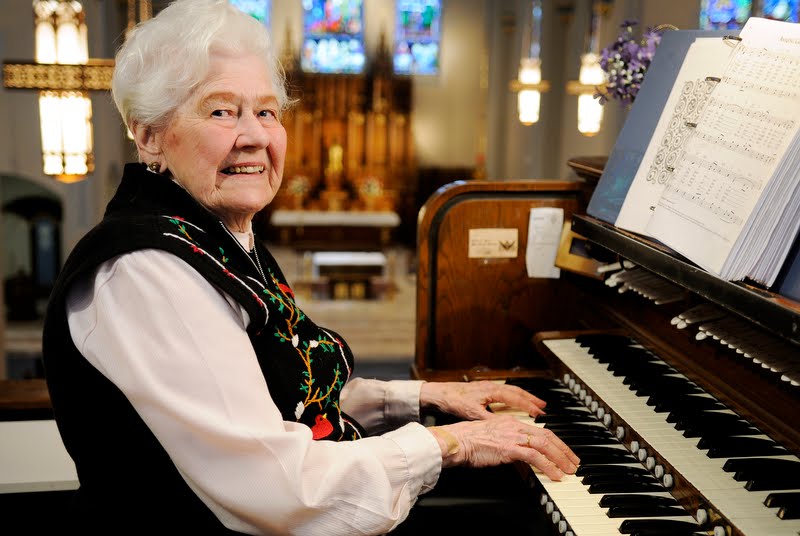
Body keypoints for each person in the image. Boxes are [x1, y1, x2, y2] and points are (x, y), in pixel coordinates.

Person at [41, 1, 579, 534]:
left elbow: (281, 393)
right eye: (221, 110)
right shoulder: (147, 269)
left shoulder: (212, 236)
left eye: (267, 111)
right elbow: (279, 490)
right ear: (149, 134)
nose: (254, 136)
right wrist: (451, 442)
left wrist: (424, 397)